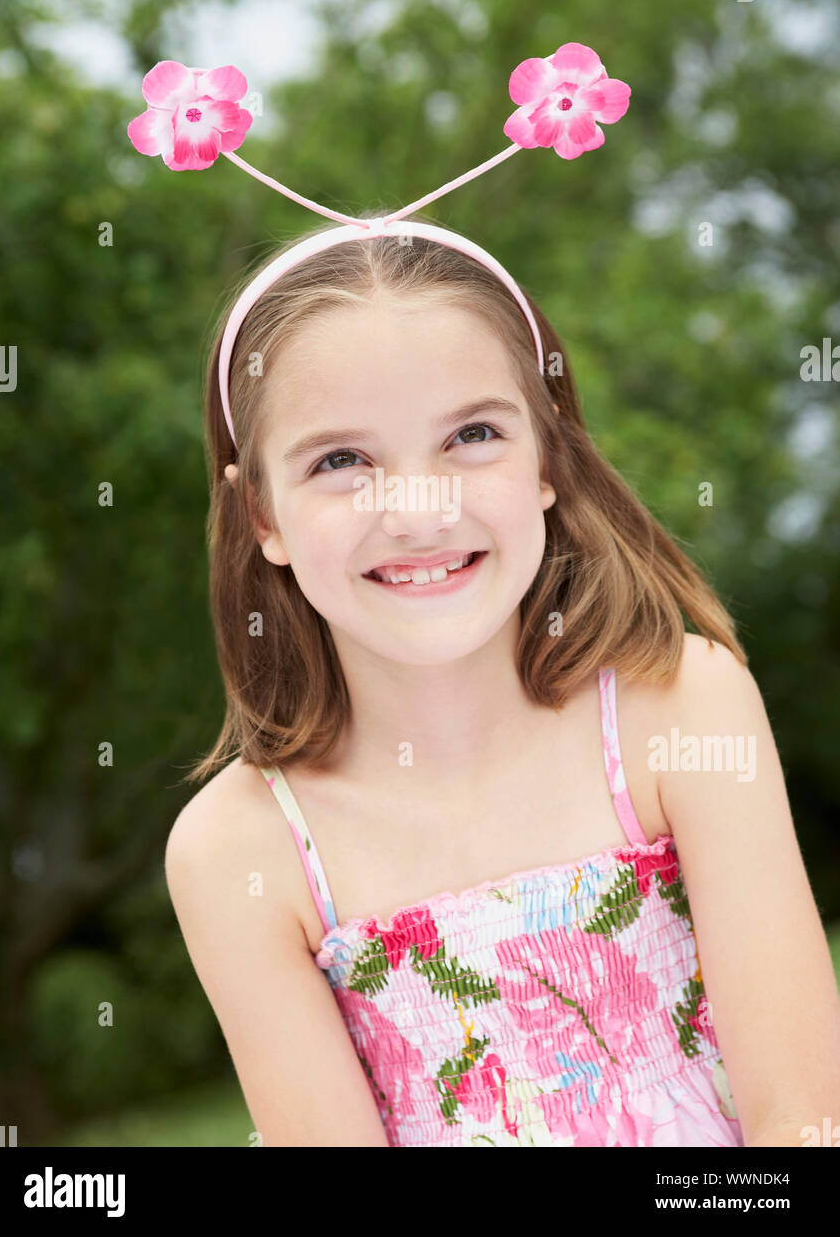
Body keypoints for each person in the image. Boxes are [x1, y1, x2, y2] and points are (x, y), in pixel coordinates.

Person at [163, 224, 840, 1147]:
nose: (418, 511)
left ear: (548, 459)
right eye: (340, 461)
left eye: (472, 435)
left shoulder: (679, 710)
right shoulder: (241, 849)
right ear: (261, 514)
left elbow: (803, 1121)